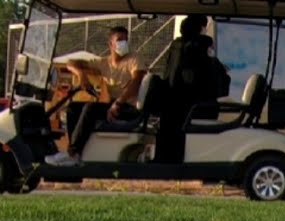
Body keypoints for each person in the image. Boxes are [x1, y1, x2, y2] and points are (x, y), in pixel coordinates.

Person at [44, 26, 145, 166]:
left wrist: (119, 102)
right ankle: (75, 153)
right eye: (120, 40)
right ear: (110, 44)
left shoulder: (134, 59)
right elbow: (70, 64)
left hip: (128, 108)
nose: (124, 43)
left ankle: (73, 153)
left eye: (126, 40)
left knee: (91, 108)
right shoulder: (104, 63)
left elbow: (136, 83)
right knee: (73, 108)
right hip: (113, 107)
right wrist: (81, 74)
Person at [152, 14, 229, 162]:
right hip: (196, 106)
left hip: (172, 104)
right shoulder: (200, 46)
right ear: (200, 28)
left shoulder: (176, 46)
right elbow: (207, 78)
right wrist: (221, 71)